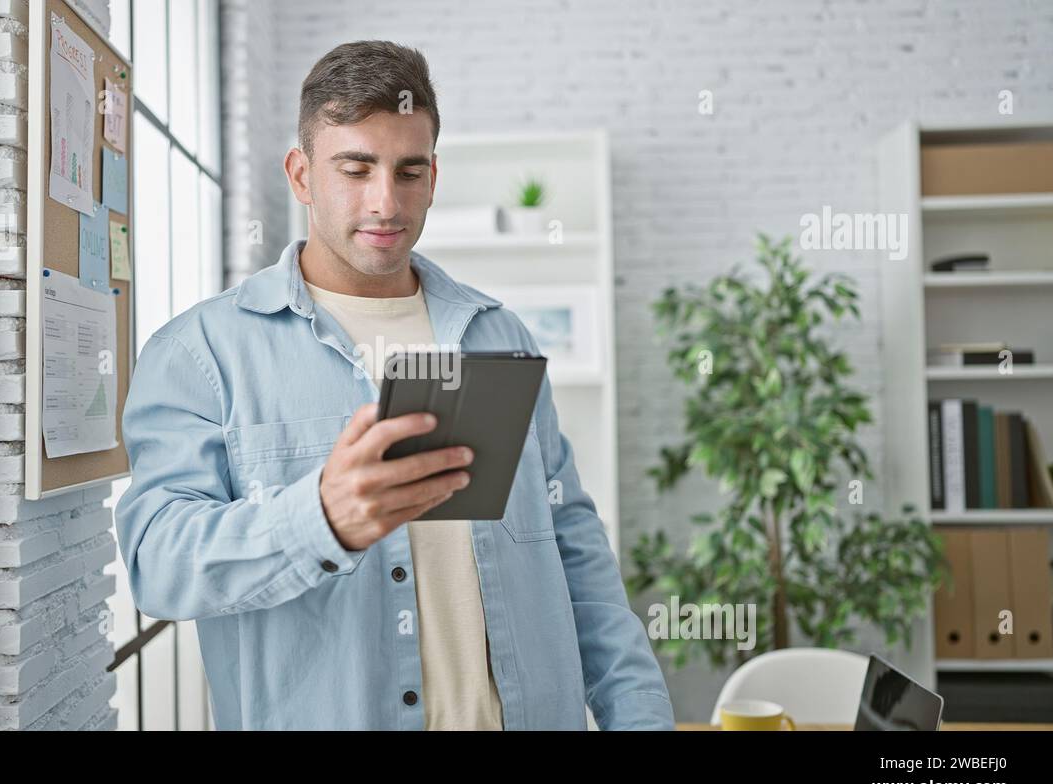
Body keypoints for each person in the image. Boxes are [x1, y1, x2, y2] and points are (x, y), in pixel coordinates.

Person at [115, 40, 674, 731]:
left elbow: (573, 544)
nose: (386, 201)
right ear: (301, 174)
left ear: (434, 177)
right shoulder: (201, 353)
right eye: (356, 168)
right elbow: (158, 563)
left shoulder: (498, 336)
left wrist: (640, 714)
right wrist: (318, 519)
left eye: (409, 171)